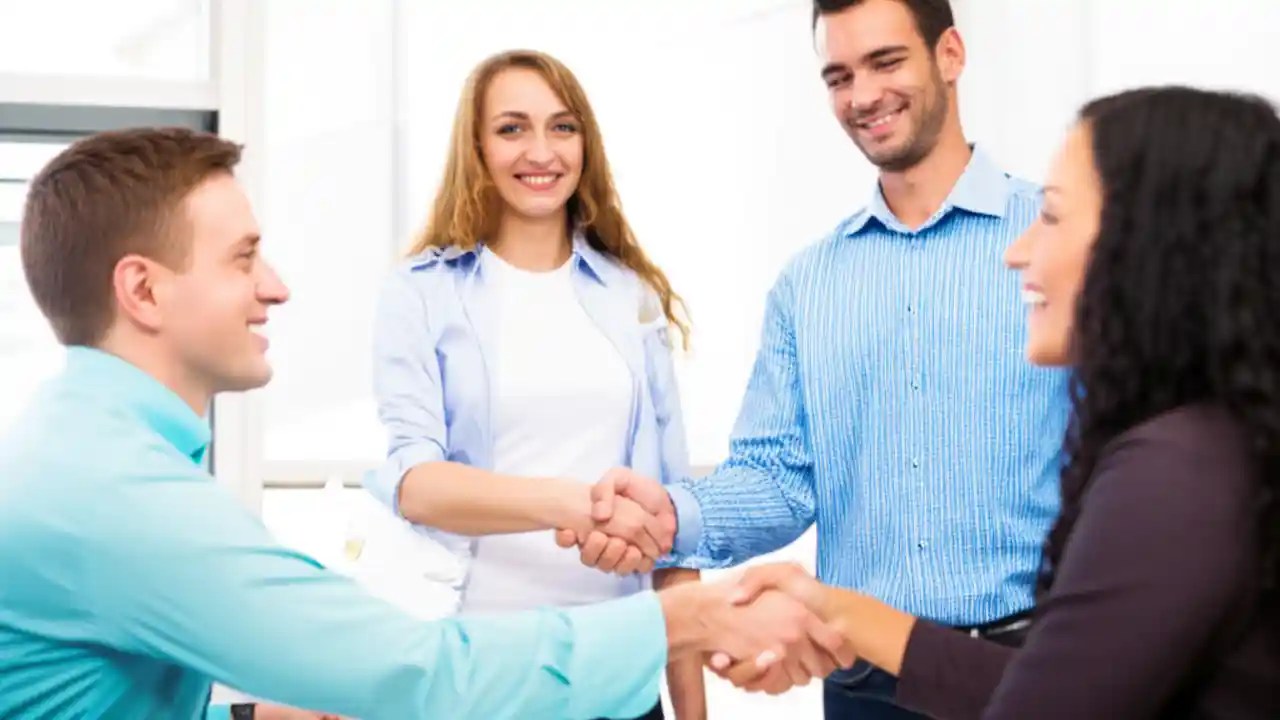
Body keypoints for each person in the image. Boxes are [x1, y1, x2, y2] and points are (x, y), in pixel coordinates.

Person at [0, 126, 855, 719]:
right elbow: (422, 674)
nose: (277, 287)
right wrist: (691, 621)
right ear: (142, 290)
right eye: (243, 257)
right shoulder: (120, 496)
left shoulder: (81, 448)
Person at [561, 0, 1068, 716]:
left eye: (886, 62)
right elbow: (778, 477)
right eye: (839, 76)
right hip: (863, 681)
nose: (863, 96)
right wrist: (671, 516)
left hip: (1030, 670)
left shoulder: (1059, 242)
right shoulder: (810, 282)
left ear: (950, 55)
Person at [715, 85, 1280, 718]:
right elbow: (1060, 693)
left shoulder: (1174, 473)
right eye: (837, 75)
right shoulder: (1209, 445)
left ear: (1152, 243)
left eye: (1056, 215)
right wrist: (840, 610)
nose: (1017, 250)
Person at [363, 49, 704, 720]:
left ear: (586, 145)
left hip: (617, 675)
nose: (540, 151)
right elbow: (416, 485)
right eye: (513, 128)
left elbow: (675, 522)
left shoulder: (631, 295)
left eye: (562, 126)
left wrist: (693, 713)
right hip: (476, 673)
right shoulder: (421, 294)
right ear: (478, 147)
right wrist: (567, 503)